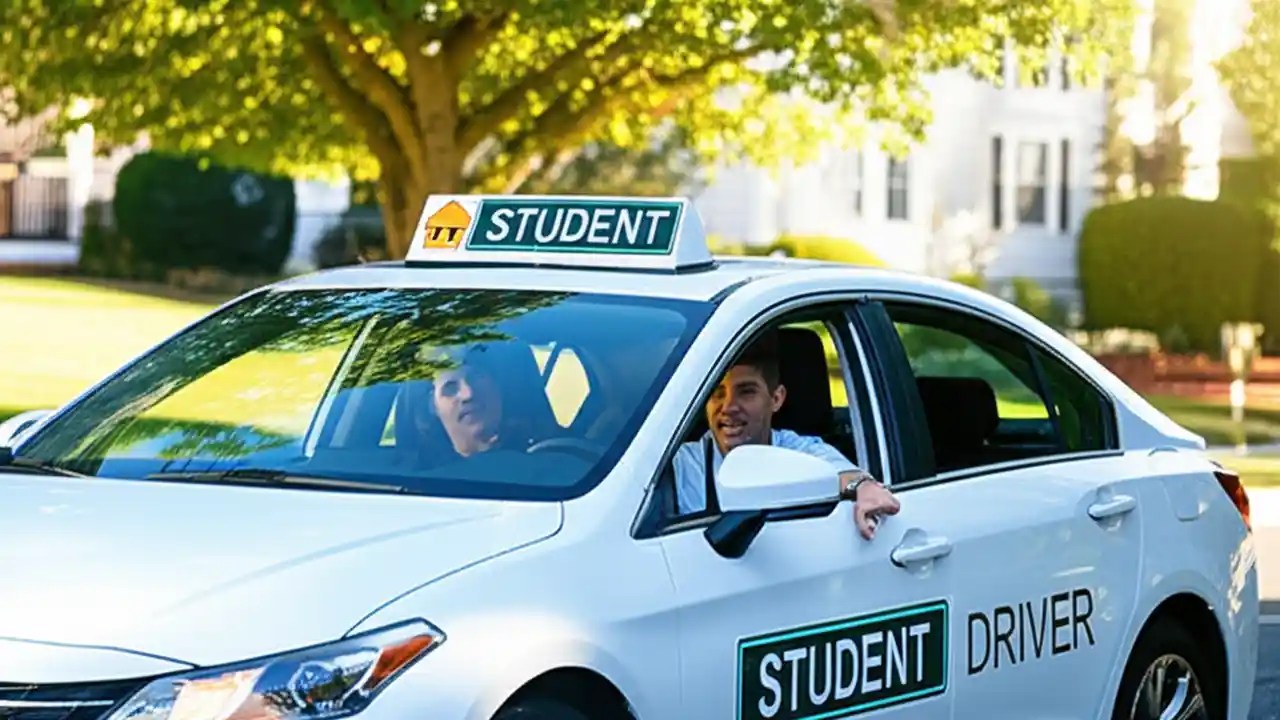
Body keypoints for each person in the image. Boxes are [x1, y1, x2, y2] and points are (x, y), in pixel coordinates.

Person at [672, 330, 901, 540]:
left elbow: (843, 474)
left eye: (746, 392)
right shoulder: (679, 463)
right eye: (717, 393)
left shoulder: (795, 448)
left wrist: (865, 487)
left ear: (776, 399)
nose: (729, 406)